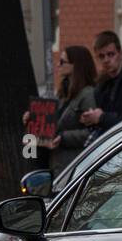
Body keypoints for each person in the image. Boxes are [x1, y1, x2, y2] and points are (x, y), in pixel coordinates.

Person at [48, 45, 97, 176]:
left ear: (76, 65)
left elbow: (93, 134)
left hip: (75, 167)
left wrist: (64, 138)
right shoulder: (63, 94)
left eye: (62, 62)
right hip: (58, 164)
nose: (58, 65)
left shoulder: (88, 94)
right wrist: (34, 119)